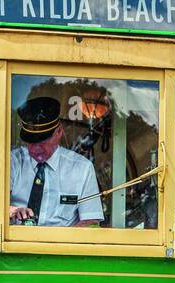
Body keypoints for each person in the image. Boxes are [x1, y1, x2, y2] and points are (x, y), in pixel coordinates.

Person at [7, 96, 104, 227]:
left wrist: (63, 243)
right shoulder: (12, 161)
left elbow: (91, 221)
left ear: (59, 132)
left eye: (42, 141)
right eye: (31, 142)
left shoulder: (82, 168)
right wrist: (10, 210)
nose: (36, 149)